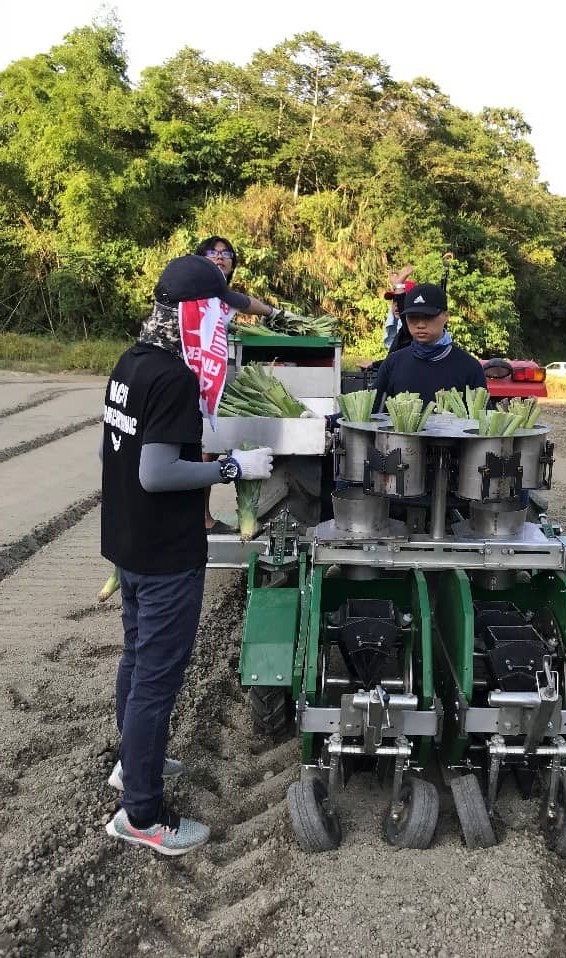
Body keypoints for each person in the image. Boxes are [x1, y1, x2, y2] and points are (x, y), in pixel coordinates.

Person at [102, 253, 275, 856]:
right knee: (156, 681)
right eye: (219, 313)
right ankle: (142, 815)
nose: (224, 325)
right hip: (164, 551)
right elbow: (156, 472)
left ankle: (132, 764)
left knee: (134, 657)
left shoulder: (132, 361)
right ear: (197, 315)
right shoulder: (174, 378)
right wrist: (233, 466)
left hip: (125, 540)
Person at [195, 236, 282, 534]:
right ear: (199, 259)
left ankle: (202, 517)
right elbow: (243, 304)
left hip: (212, 380)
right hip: (190, 379)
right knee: (202, 449)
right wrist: (274, 315)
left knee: (206, 448)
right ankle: (200, 519)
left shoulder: (222, 296)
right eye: (212, 252)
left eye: (226, 254)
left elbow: (244, 304)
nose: (220, 257)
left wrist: (274, 316)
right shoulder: (195, 290)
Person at [373, 282, 487, 408]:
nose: (420, 324)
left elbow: (481, 421)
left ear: (446, 316)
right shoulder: (393, 363)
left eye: (428, 316)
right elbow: (371, 416)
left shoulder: (469, 368)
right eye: (413, 317)